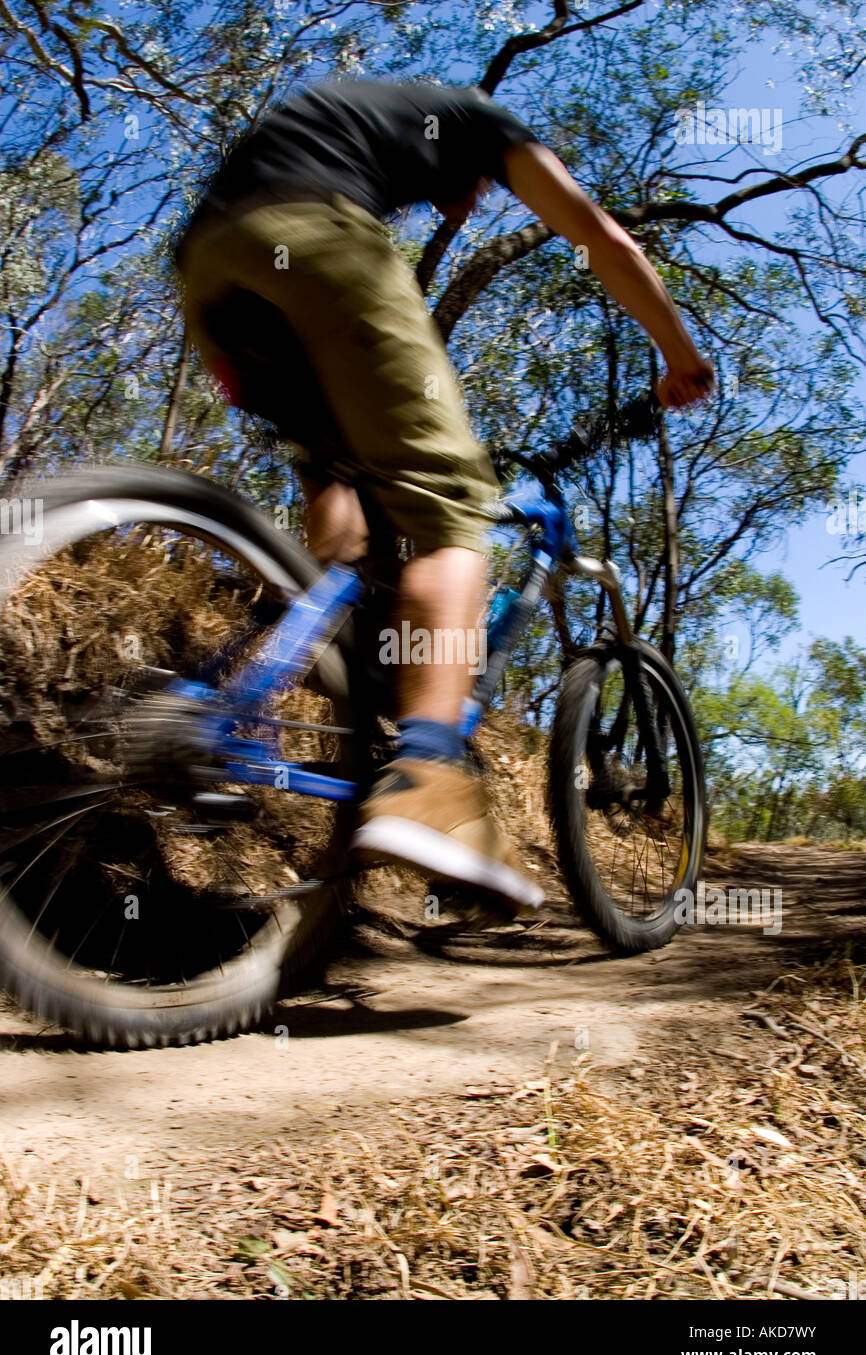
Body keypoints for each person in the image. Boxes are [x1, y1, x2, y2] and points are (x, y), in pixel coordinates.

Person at [175, 79, 714, 911]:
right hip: (315, 237)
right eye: (487, 184)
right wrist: (680, 356)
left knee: (345, 526)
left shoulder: (361, 115)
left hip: (212, 271)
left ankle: (274, 703)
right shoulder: (481, 119)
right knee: (451, 514)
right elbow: (602, 239)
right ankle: (427, 772)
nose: (477, 200)